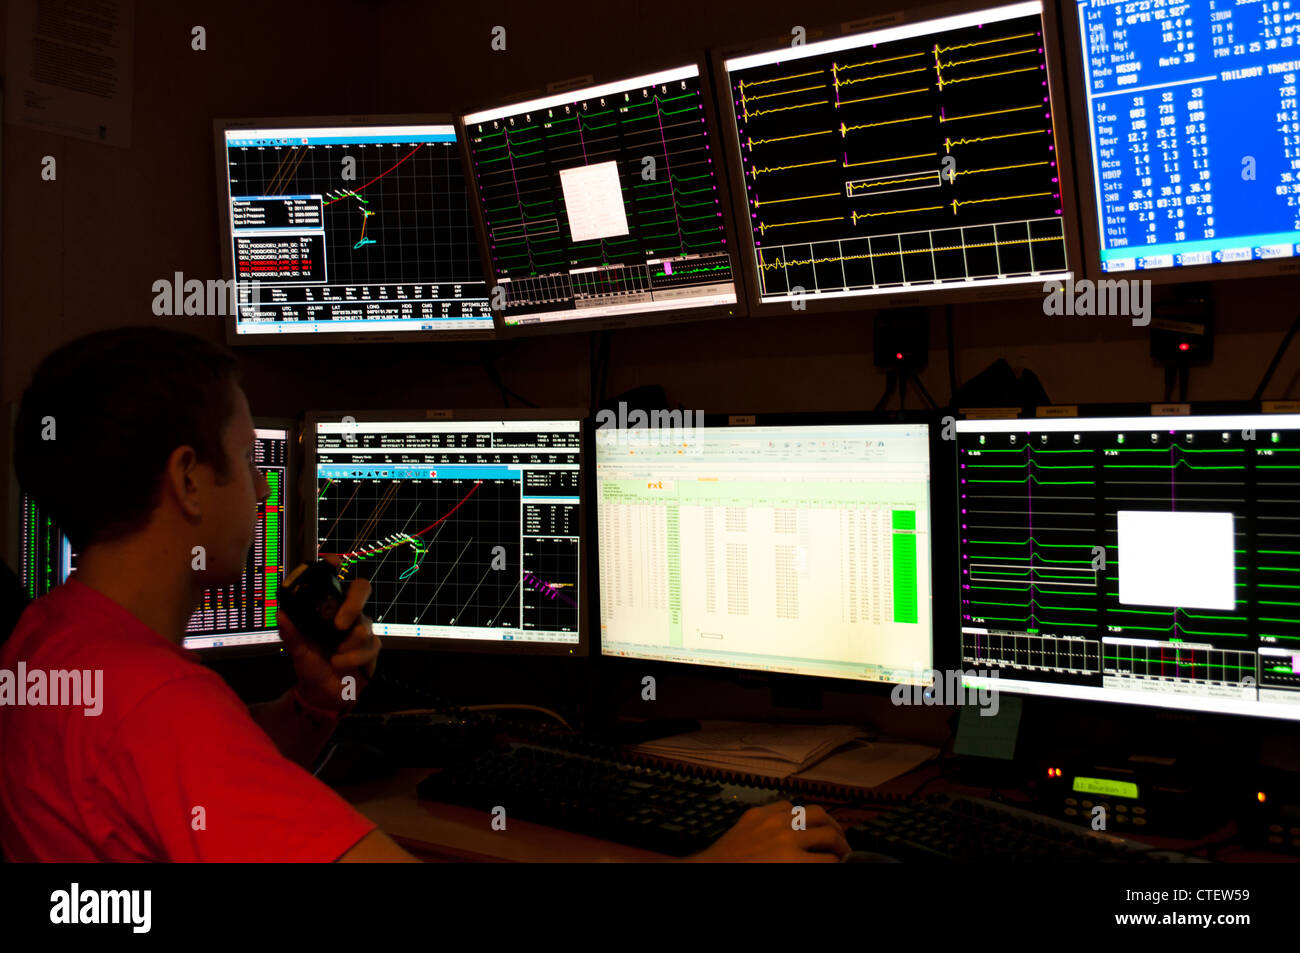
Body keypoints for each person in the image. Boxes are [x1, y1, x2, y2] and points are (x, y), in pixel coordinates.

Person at [1, 327, 849, 863]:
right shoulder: (160, 708)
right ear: (189, 479)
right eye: (248, 457)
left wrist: (311, 703)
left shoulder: (46, 641)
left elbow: (193, 787)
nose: (261, 491)